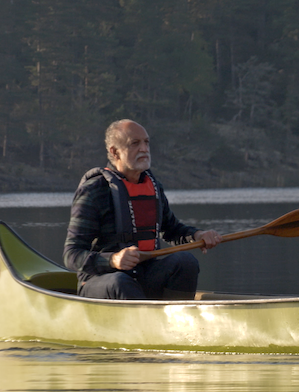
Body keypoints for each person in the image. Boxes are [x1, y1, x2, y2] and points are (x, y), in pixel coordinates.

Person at [64, 119, 222, 300]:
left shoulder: (153, 186)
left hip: (143, 276)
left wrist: (198, 235)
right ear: (114, 152)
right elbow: (72, 255)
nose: (144, 149)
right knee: (120, 282)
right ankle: (143, 324)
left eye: (146, 142)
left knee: (186, 262)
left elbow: (171, 230)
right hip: (100, 281)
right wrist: (112, 260)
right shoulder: (93, 191)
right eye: (134, 143)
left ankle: (174, 322)